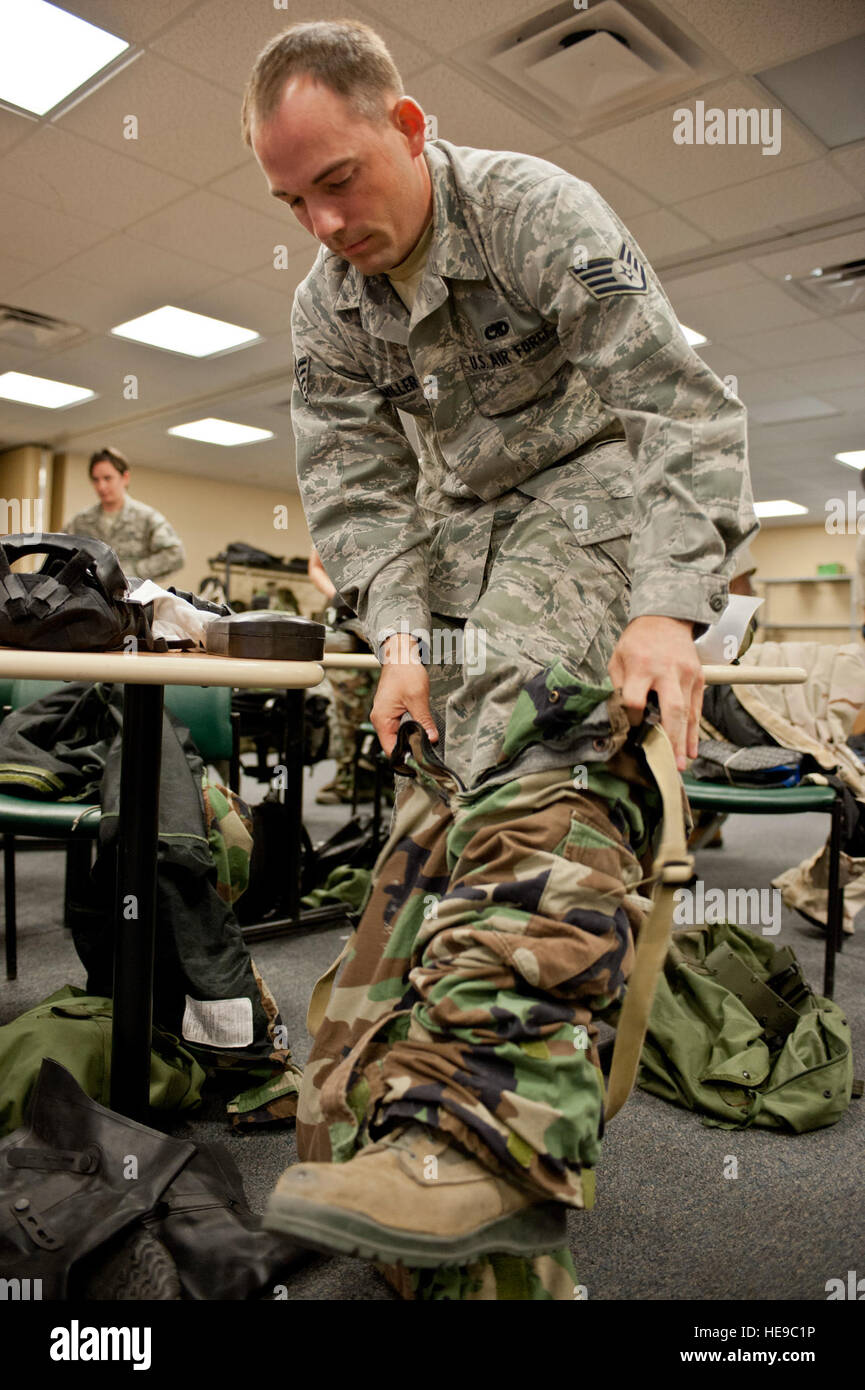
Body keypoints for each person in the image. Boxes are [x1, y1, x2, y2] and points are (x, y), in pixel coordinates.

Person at [243, 20, 756, 1300]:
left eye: (339, 180)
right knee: (397, 928)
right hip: (453, 556)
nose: (319, 222)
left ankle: (483, 1128)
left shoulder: (532, 209)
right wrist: (400, 644)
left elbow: (677, 408)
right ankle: (403, 1198)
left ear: (407, 129)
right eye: (290, 198)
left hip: (593, 507)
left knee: (539, 721)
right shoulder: (328, 308)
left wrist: (667, 608)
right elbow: (357, 497)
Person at [307, 545, 380, 804]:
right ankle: (349, 777)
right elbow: (315, 566)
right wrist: (340, 597)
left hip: (389, 608)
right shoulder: (329, 514)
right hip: (351, 618)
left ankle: (380, 776)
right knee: (346, 698)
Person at [65, 447, 185, 582]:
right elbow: (59, 552)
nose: (101, 486)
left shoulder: (146, 518)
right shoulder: (81, 521)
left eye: (107, 478)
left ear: (125, 478)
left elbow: (175, 555)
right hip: (88, 598)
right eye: (96, 480)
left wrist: (133, 572)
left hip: (132, 597)